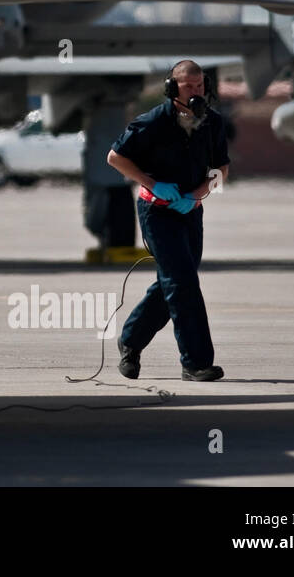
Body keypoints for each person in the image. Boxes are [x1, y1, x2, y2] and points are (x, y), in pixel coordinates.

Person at [105, 60, 230, 381]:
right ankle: (196, 362)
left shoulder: (212, 122)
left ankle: (130, 342)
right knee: (183, 283)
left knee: (172, 283)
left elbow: (222, 170)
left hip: (190, 211)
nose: (196, 92)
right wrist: (151, 183)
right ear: (172, 88)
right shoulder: (152, 122)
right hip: (156, 212)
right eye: (189, 86)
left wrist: (199, 194)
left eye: (201, 85)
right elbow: (115, 157)